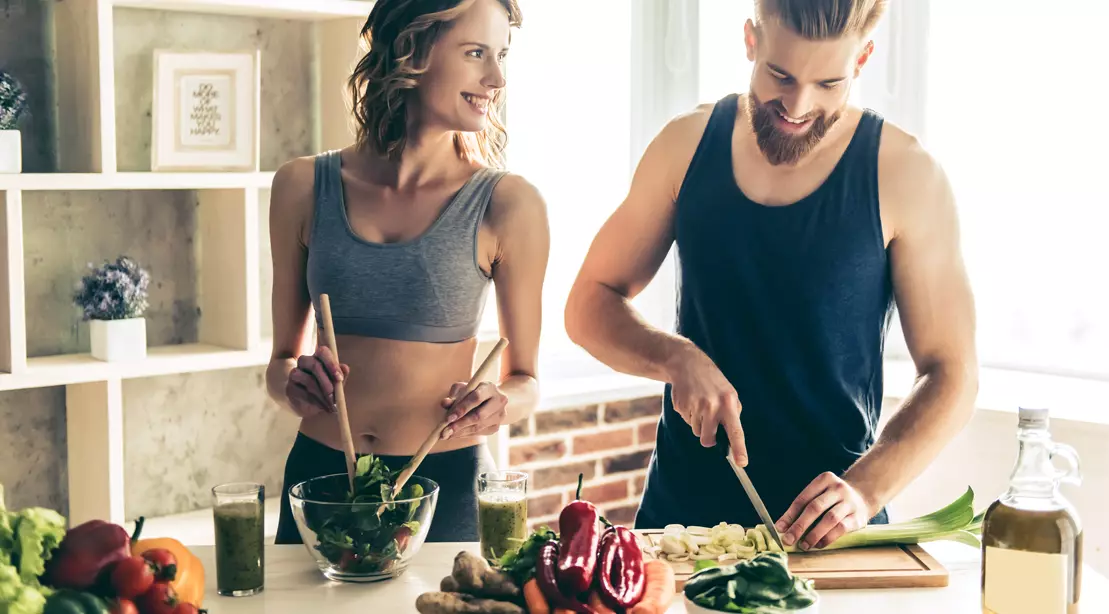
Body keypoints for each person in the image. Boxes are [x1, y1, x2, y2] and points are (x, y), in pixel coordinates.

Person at [564, 0, 978, 551]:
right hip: (681, 527)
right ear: (750, 41)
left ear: (863, 61)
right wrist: (675, 357)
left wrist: (864, 491)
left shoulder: (906, 174)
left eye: (828, 83)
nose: (797, 105)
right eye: (780, 76)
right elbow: (589, 303)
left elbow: (953, 373)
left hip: (828, 536)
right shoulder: (684, 146)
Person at [265, 0, 549, 544]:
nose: (497, 78)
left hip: (447, 487)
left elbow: (528, 380)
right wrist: (292, 384)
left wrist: (499, 403)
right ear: (410, 51)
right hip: (320, 479)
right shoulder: (301, 186)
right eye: (475, 54)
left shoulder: (510, 204)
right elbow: (279, 364)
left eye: (502, 56)